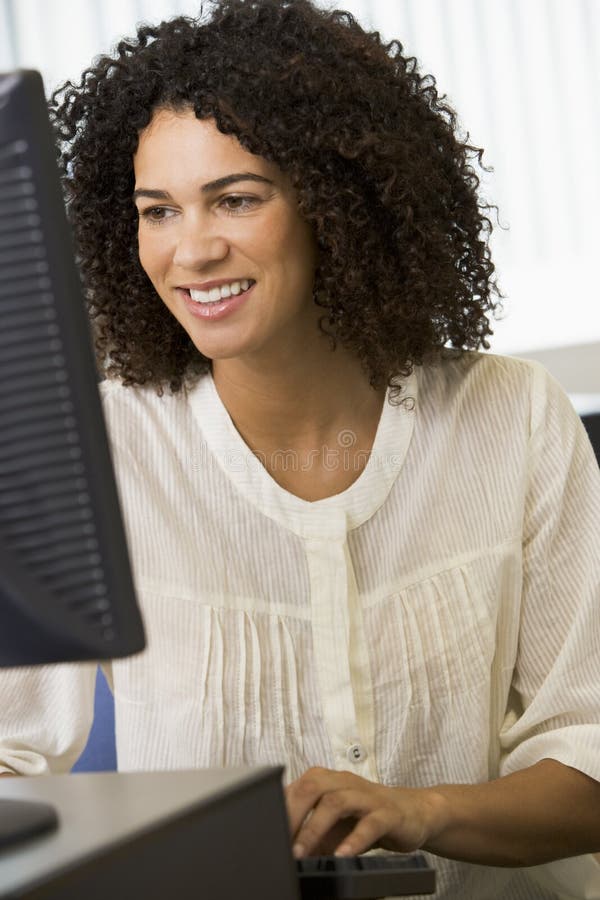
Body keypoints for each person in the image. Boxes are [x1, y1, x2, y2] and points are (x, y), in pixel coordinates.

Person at [1, 1, 599, 897]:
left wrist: (420, 810)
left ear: (337, 202)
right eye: (157, 211)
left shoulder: (509, 417)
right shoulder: (106, 447)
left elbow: (589, 759)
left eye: (236, 199)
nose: (192, 250)